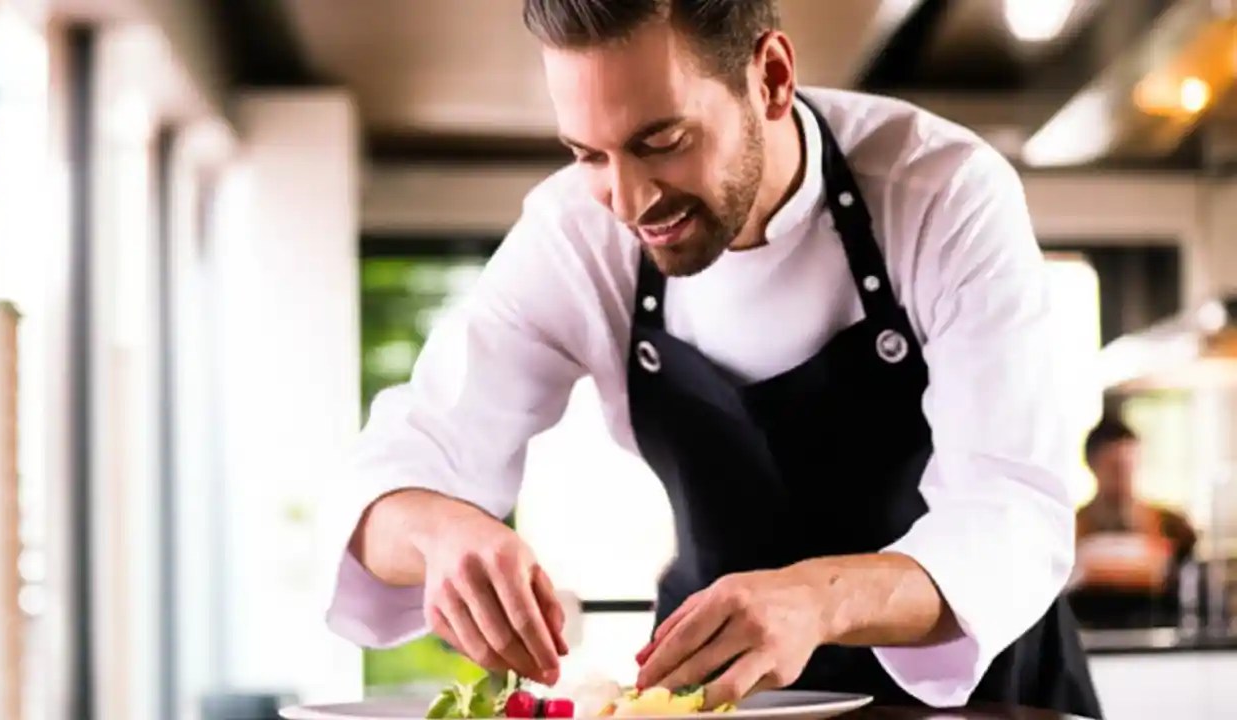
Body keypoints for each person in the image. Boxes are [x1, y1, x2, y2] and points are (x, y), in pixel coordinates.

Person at [326, 1, 1102, 716]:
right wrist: (442, 534)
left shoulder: (941, 193)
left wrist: (818, 601)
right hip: (716, 696)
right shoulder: (573, 235)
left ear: (770, 77)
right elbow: (393, 475)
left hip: (984, 697)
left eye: (661, 142)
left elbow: (1011, 512)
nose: (627, 203)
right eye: (587, 154)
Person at [1071, 415, 1198, 599]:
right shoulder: (1070, 529)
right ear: (1092, 465)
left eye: (1130, 466)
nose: (1124, 476)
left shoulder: (1174, 527)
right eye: (1115, 467)